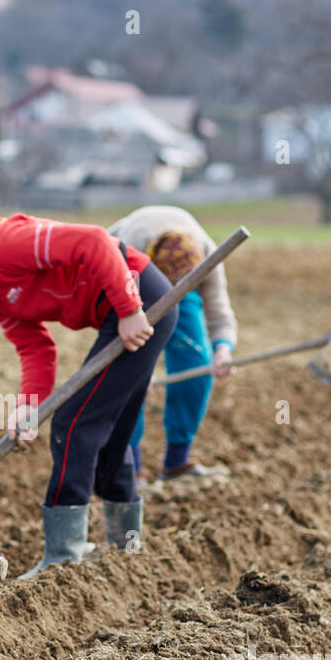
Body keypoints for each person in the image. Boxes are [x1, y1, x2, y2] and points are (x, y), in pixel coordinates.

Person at [0, 192, 177, 578]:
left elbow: (94, 241)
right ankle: (127, 549)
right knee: (111, 434)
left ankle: (64, 555)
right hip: (121, 313)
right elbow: (35, 346)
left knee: (74, 423)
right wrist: (28, 407)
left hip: (143, 300)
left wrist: (130, 308)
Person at [108, 205, 238, 482]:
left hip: (185, 288)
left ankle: (177, 461)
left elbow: (218, 309)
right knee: (129, 380)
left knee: (198, 366)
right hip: (131, 287)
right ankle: (130, 466)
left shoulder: (208, 256)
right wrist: (140, 371)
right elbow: (109, 309)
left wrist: (223, 350)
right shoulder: (126, 244)